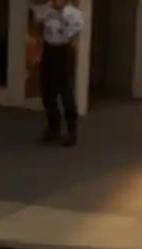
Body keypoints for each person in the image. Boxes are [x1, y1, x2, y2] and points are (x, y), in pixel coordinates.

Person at [32, 0, 84, 146]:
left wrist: (62, 16)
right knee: (47, 91)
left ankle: (71, 131)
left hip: (63, 50)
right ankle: (53, 127)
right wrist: (37, 52)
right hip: (49, 50)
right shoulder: (45, 11)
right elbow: (37, 28)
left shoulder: (73, 14)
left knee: (66, 91)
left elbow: (73, 35)